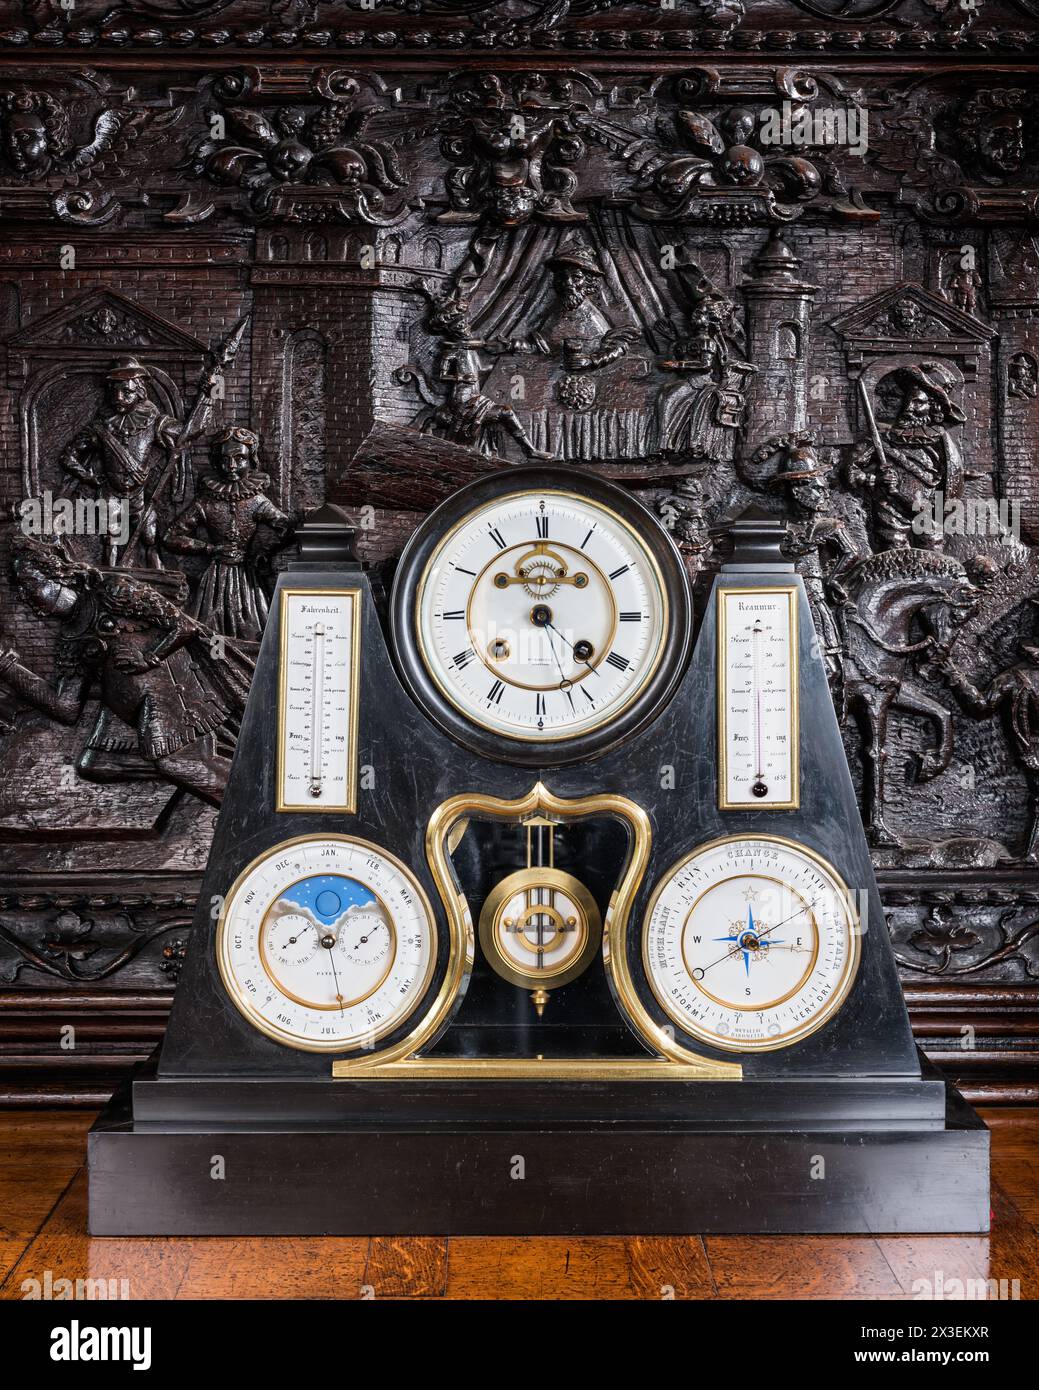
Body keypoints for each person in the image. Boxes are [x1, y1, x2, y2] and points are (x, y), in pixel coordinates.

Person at [0, 535, 252, 806]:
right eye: (22, 589)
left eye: (30, 584)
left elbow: (184, 626)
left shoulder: (113, 591)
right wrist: (7, 665)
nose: (27, 596)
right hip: (140, 708)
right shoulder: (71, 639)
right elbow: (66, 707)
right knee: (174, 762)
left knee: (174, 762)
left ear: (56, 575)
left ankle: (252, 808)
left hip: (172, 689)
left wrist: (150, 657)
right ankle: (252, 804)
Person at [165, 427, 293, 642]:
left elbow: (286, 527)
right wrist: (210, 549)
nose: (231, 466)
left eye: (239, 458)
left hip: (246, 576)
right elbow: (171, 536)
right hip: (215, 578)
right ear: (216, 462)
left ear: (251, 460)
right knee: (207, 626)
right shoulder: (206, 502)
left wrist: (265, 552)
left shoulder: (256, 501)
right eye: (224, 460)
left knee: (253, 627)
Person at [60, 356, 181, 569]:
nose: (119, 397)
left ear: (140, 392)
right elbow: (68, 456)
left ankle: (160, 578)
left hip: (139, 495)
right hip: (111, 494)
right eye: (115, 391)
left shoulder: (155, 423)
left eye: (127, 391)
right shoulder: (100, 428)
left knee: (150, 539)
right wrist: (88, 476)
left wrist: (208, 396)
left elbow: (189, 434)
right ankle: (109, 582)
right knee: (111, 540)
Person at [849, 364, 965, 551]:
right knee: (893, 559)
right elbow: (851, 472)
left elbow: (953, 481)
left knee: (933, 558)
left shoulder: (944, 443)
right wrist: (875, 479)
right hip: (890, 510)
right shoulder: (881, 438)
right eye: (907, 400)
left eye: (918, 403)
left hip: (927, 511)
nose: (909, 408)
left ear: (933, 406)